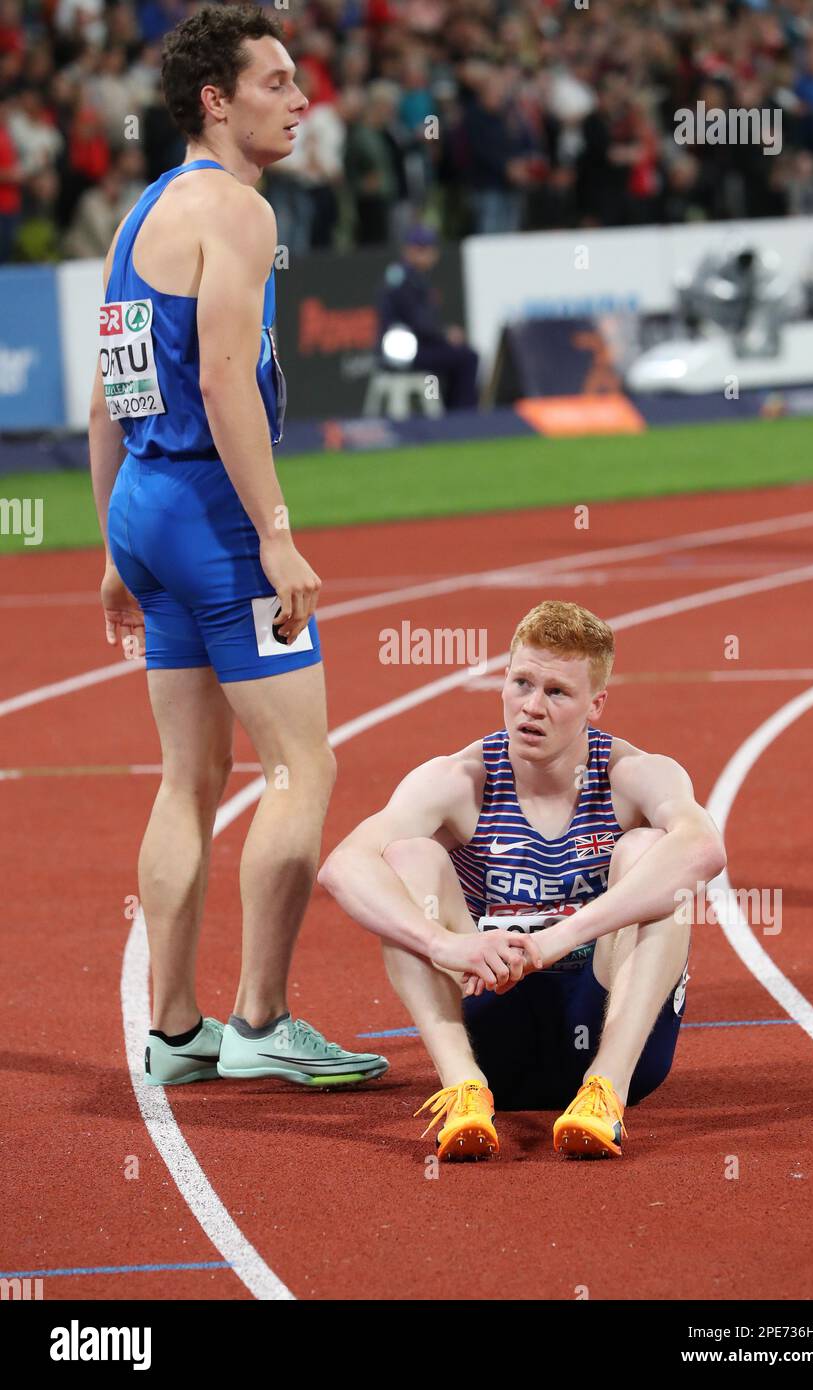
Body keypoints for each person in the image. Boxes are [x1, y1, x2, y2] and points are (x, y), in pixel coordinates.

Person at [88, 3, 387, 1089]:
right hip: (212, 515)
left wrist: (115, 539)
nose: (300, 99)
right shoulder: (239, 211)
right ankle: (261, 1017)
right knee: (301, 765)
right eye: (274, 82)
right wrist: (276, 534)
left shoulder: (140, 217)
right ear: (216, 101)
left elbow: (107, 399)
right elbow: (220, 382)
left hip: (149, 505)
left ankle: (173, 1034)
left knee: (187, 776)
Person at [318, 600, 726, 1160]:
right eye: (521, 683)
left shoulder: (633, 775)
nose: (532, 707)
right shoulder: (459, 779)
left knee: (653, 850)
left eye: (557, 692)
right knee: (408, 858)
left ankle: (604, 1093)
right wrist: (447, 943)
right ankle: (462, 1089)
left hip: (608, 1020)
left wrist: (552, 942)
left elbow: (704, 849)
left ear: (595, 704)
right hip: (491, 1019)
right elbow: (343, 865)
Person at [377, 224, 479, 410]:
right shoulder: (402, 278)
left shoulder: (415, 277)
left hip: (417, 346)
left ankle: (449, 412)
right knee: (466, 357)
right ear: (411, 250)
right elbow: (417, 322)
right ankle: (462, 415)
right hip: (403, 353)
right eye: (425, 250)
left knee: (454, 357)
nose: (432, 255)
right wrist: (445, 334)